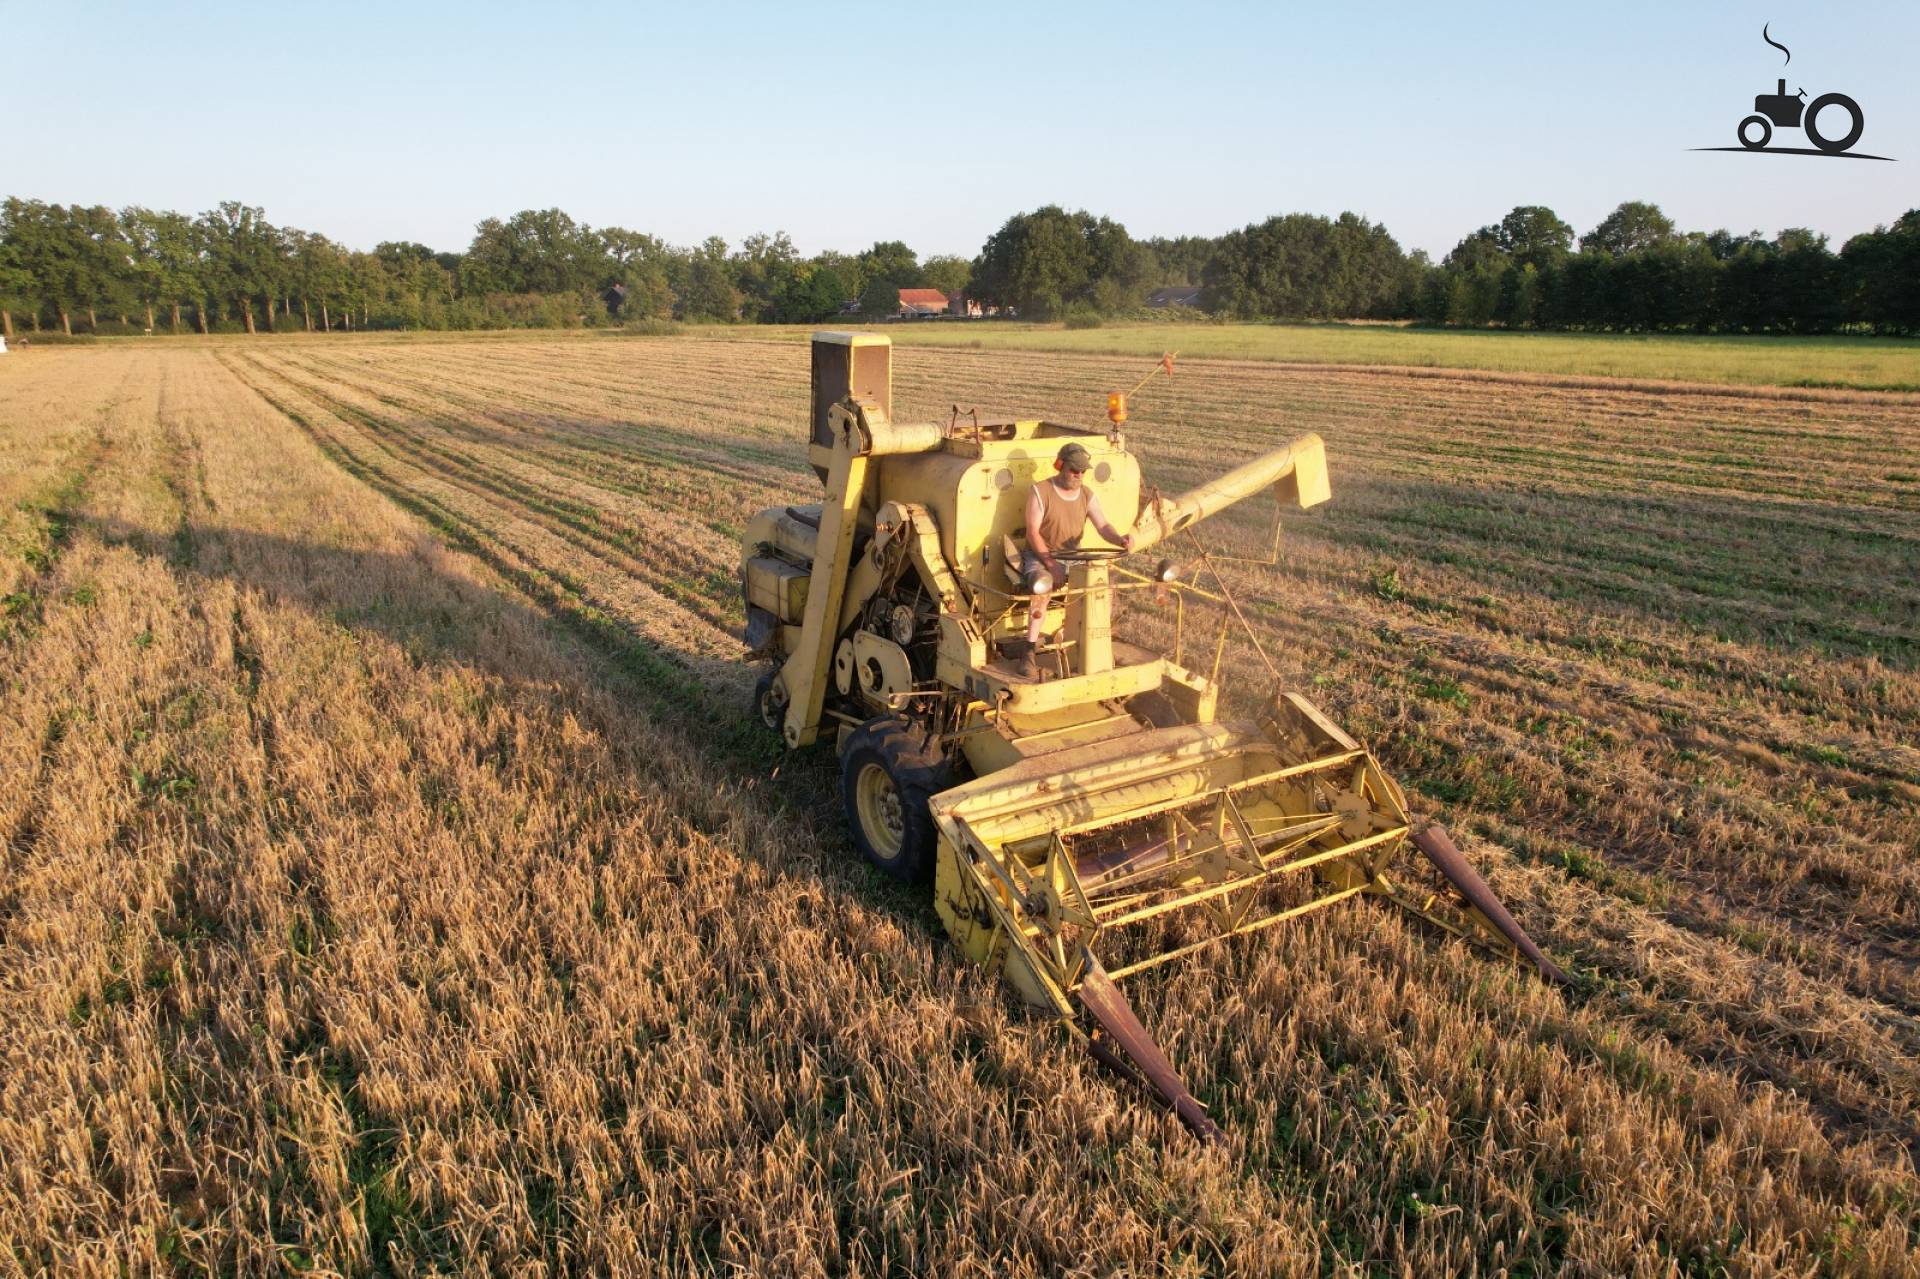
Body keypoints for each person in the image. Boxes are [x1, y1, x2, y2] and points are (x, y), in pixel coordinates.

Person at [1018, 442, 1131, 679]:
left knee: (1102, 586)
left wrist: (1119, 539)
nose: (1078, 475)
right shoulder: (1040, 491)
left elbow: (1103, 526)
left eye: (1082, 471)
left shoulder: (1087, 495)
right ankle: (1028, 650)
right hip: (1041, 555)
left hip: (1072, 556)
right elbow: (1032, 533)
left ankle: (1095, 643)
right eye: (1074, 470)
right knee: (1042, 586)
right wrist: (1051, 566)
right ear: (1060, 466)